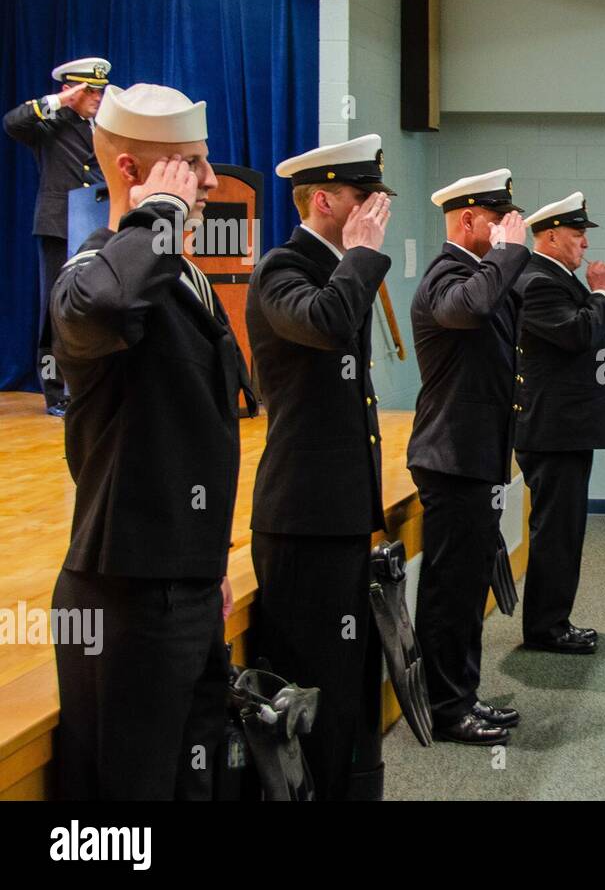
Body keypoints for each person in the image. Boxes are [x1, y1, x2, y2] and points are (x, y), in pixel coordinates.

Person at [48, 83, 251, 799]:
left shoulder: (185, 277)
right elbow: (105, 304)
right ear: (131, 171)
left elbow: (199, 428)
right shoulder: (88, 274)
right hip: (124, 596)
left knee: (191, 778)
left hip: (186, 581)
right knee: (127, 800)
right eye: (188, 165)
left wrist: (206, 558)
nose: (206, 180)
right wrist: (155, 217)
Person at [245, 134, 395, 797]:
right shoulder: (284, 268)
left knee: (348, 681)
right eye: (367, 198)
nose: (378, 211)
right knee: (308, 688)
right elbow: (329, 322)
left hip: (335, 514)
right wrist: (362, 253)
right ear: (327, 198)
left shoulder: (336, 266)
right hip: (300, 519)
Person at [409, 168, 531, 744]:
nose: (509, 227)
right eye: (498, 218)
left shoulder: (480, 274)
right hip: (450, 457)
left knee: (466, 587)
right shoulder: (445, 277)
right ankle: (446, 707)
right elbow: (470, 310)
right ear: (467, 221)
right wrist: (507, 254)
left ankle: (464, 694)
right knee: (449, 590)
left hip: (476, 454)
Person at [513, 192, 605, 654]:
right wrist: (601, 293)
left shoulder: (554, 277)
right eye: (577, 235)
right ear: (551, 236)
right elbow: (577, 334)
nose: (584, 246)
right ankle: (546, 628)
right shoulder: (538, 281)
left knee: (564, 529)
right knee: (556, 531)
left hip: (565, 428)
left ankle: (553, 620)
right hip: (553, 430)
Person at [4, 57, 111, 415]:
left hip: (99, 225)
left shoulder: (107, 126)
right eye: (89, 90)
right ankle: (55, 391)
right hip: (59, 226)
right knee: (55, 308)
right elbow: (12, 123)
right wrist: (59, 103)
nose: (97, 96)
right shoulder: (50, 124)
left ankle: (95, 383)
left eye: (100, 89)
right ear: (70, 91)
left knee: (98, 304)